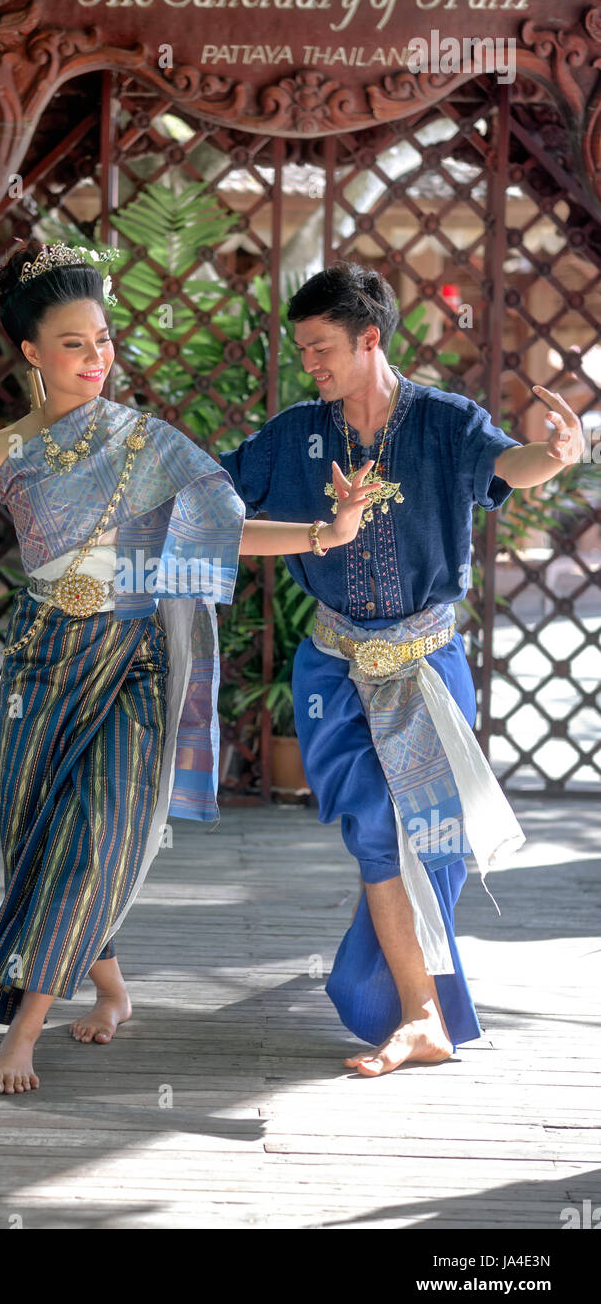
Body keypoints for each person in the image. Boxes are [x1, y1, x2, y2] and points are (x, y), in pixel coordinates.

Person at [0, 240, 377, 1094]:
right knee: (43, 847)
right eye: (75, 343)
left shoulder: (147, 443)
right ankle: (111, 988)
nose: (97, 358)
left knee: (97, 837)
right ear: (32, 353)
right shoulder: (2, 454)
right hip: (43, 666)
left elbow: (219, 532)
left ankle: (23, 1028)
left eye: (105, 339)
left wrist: (325, 533)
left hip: (136, 662)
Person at [219, 261, 585, 1077]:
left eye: (321, 349)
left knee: (438, 840)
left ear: (369, 337)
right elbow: (214, 505)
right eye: (302, 350)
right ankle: (421, 1016)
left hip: (429, 660)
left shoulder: (447, 424)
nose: (309, 365)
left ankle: (378, 968)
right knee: (380, 831)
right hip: (335, 667)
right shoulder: (292, 437)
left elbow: (511, 466)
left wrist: (557, 457)